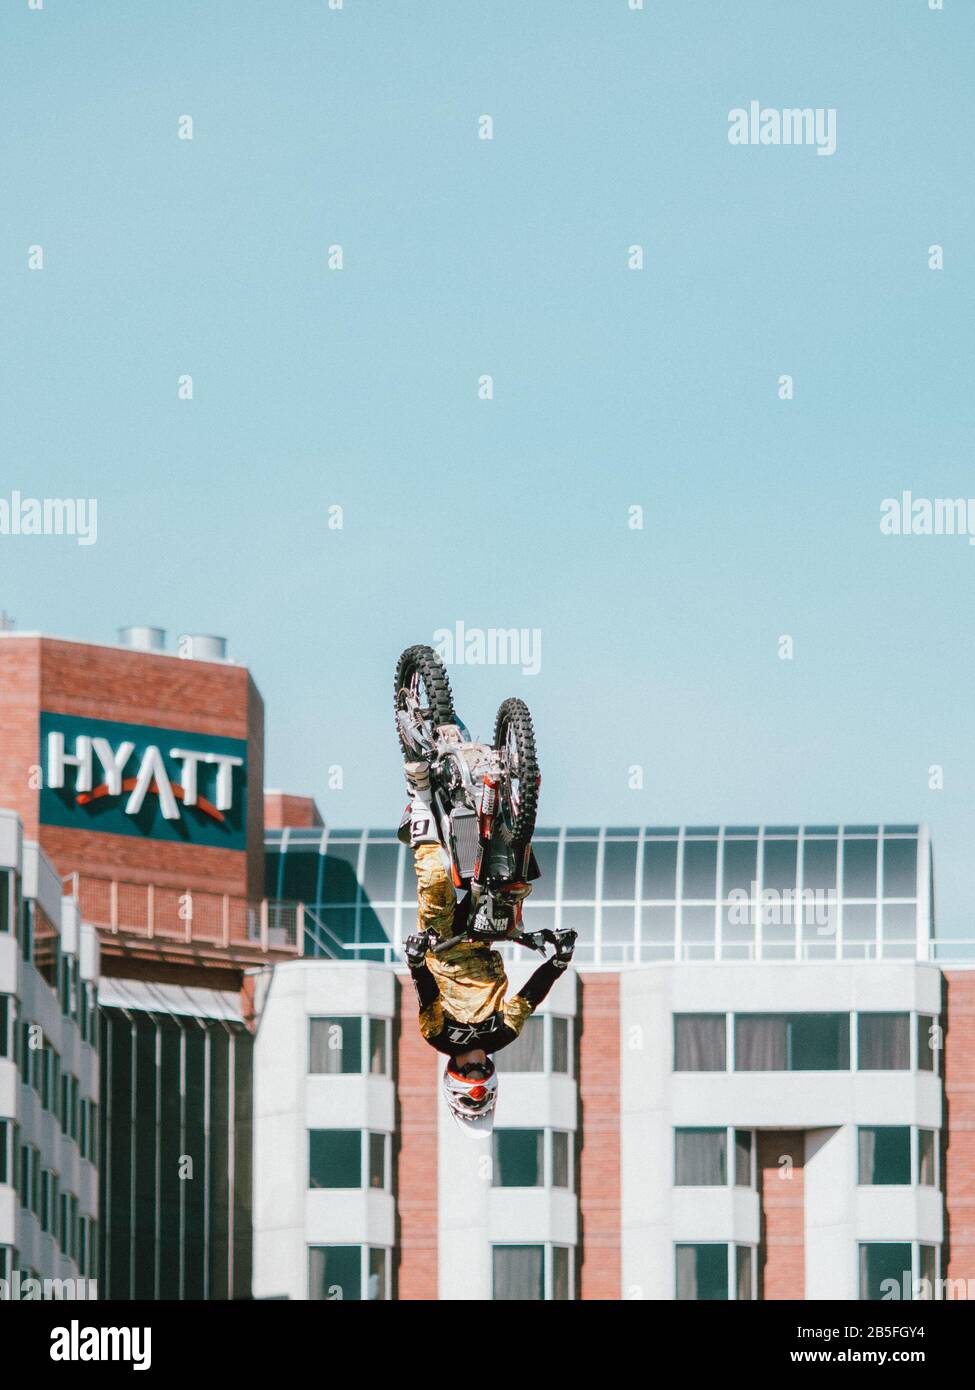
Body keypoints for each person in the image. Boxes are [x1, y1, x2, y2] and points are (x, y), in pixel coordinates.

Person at [400, 771, 576, 1135]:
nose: (476, 1070)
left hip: (444, 944)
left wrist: (416, 961)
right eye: (481, 1075)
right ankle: (509, 803)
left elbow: (426, 995)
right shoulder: (502, 1034)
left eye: (468, 1075)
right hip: (484, 939)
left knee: (435, 881)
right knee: (515, 881)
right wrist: (558, 961)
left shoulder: (438, 1036)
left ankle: (419, 797)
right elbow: (530, 997)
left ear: (453, 1076)